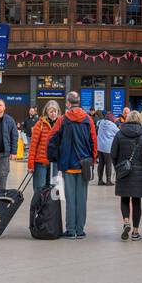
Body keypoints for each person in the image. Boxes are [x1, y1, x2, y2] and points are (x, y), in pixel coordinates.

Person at [50, 91, 97, 238]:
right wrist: (93, 160)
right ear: (79, 102)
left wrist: (55, 157)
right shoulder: (88, 120)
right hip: (84, 165)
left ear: (68, 104)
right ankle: (80, 230)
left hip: (68, 164)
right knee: (82, 199)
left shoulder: (62, 120)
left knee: (70, 199)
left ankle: (71, 230)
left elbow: (52, 139)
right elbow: (94, 142)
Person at [111, 109, 142, 240]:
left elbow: (113, 154)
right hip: (140, 173)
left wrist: (118, 167)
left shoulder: (119, 134)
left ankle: (126, 221)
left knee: (124, 198)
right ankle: (135, 232)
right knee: (136, 201)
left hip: (123, 172)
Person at [29, 100, 59, 190]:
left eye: (55, 111)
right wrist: (30, 164)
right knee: (39, 189)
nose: (53, 114)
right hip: (40, 163)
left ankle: (49, 205)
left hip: (55, 163)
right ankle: (39, 204)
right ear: (47, 112)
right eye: (51, 111)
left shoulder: (60, 125)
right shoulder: (40, 124)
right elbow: (33, 145)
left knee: (52, 190)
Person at [95, 110, 118, 186]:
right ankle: (108, 181)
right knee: (108, 164)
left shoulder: (101, 123)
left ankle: (100, 180)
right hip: (108, 148)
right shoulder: (112, 125)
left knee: (101, 163)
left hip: (100, 147)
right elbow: (118, 133)